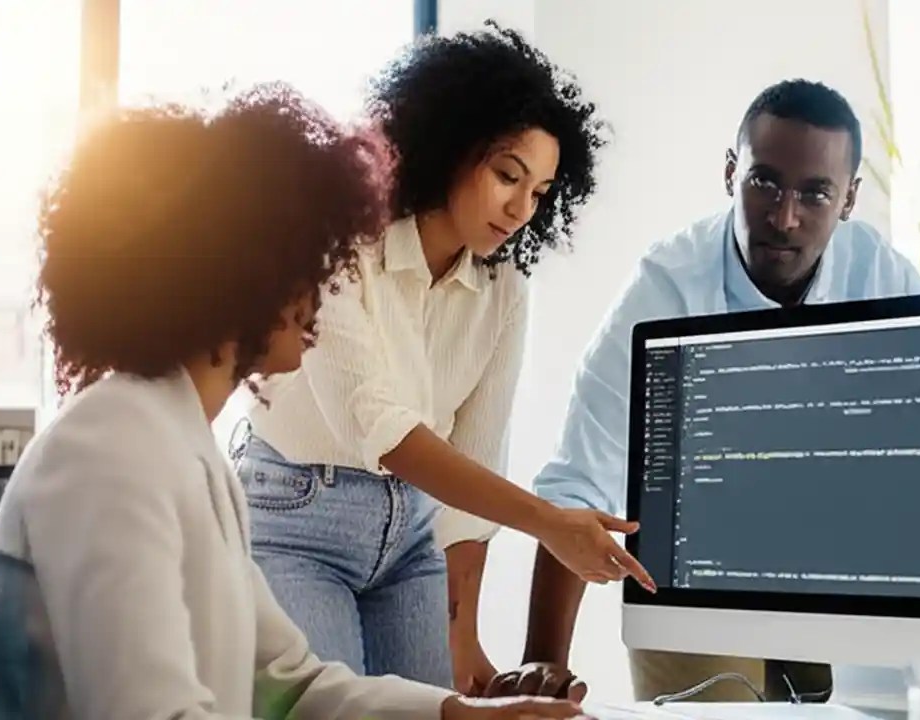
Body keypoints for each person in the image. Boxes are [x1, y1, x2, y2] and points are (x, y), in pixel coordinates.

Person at [0, 83, 585, 720]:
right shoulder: (107, 452)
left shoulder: (183, 448)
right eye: (313, 257)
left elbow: (290, 684)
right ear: (242, 270)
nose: (324, 284)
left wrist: (462, 714)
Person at [232, 21, 654, 698]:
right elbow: (383, 426)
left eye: (541, 191)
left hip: (412, 546)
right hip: (295, 521)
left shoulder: (504, 288)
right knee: (323, 714)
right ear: (449, 147)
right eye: (507, 175)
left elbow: (477, 452)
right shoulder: (342, 239)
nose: (521, 208)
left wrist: (464, 630)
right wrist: (549, 523)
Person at [487, 79, 920, 703]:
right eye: (765, 182)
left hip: (837, 560)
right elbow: (580, 484)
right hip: (700, 574)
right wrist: (540, 669)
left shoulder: (881, 278)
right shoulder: (666, 290)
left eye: (815, 193)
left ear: (850, 198)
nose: (785, 217)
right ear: (730, 172)